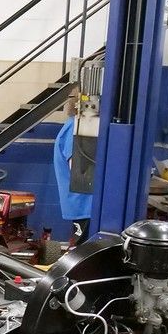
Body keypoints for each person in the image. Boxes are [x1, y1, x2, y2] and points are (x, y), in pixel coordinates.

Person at [53, 94, 93, 245]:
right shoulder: (74, 129)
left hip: (85, 205)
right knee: (82, 251)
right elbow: (78, 169)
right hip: (84, 204)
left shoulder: (74, 127)